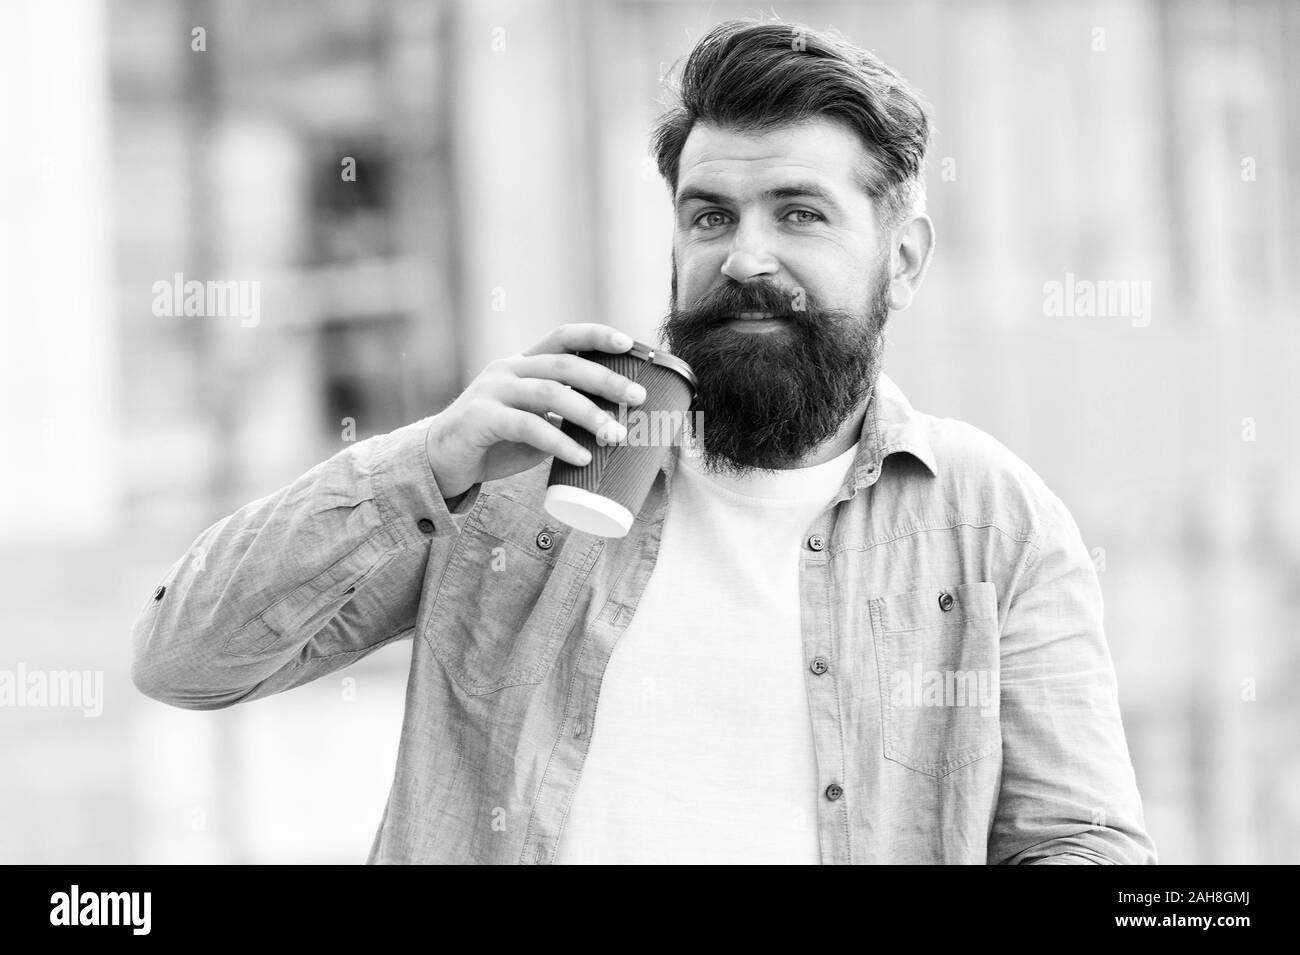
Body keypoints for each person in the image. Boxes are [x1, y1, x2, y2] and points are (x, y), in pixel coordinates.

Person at [132, 17, 1157, 864]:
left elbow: (1081, 841)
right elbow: (186, 658)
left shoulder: (991, 519)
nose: (746, 257)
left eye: (798, 213)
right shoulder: (520, 469)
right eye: (710, 218)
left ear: (903, 256)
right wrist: (429, 461)